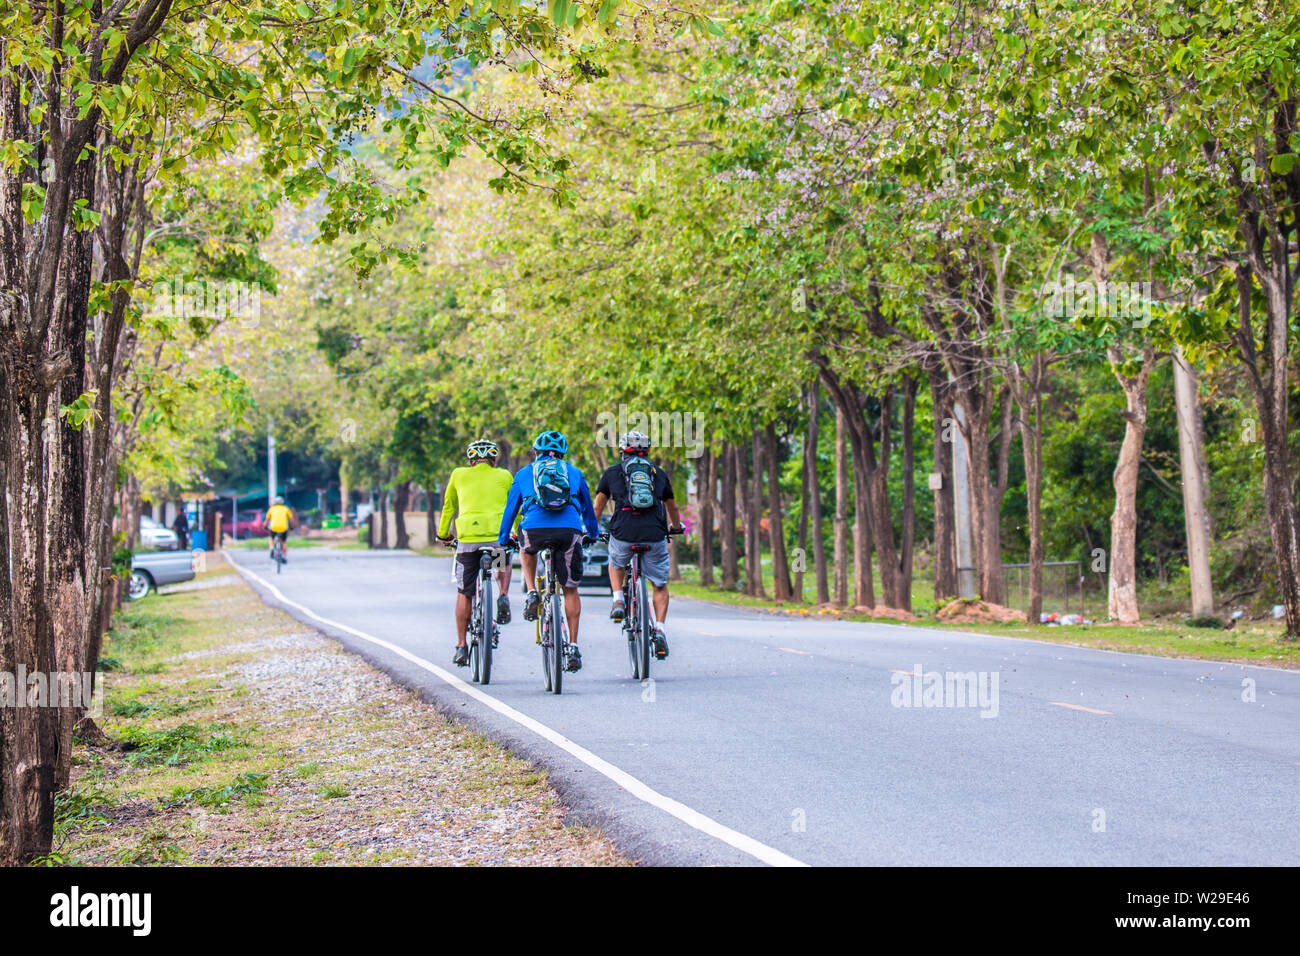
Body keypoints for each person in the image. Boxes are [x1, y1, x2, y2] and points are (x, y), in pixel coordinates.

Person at [497, 430, 599, 672]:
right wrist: (592, 534)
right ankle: (573, 646)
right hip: (568, 530)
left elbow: (511, 509)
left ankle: (532, 591)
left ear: (535, 453)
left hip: (534, 529)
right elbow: (587, 509)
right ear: (563, 454)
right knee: (571, 589)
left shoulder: (523, 473)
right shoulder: (573, 472)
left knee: (526, 546)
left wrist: (503, 539)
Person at [592, 430, 684, 660]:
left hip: (623, 532)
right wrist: (675, 527)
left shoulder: (612, 473)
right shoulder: (658, 474)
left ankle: (618, 600)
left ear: (622, 451)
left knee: (616, 563)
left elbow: (597, 509)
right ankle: (660, 630)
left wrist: (592, 531)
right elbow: (672, 507)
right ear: (648, 451)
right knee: (660, 584)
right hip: (653, 534)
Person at [436, 438, 514, 668]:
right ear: (494, 459)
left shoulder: (458, 474)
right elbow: (514, 507)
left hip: (468, 542)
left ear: (470, 460)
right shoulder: (504, 476)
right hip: (497, 540)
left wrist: (443, 535)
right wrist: (516, 532)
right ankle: (502, 594)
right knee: (501, 563)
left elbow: (449, 506)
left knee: (465, 591)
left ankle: (461, 645)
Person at [264, 496, 295, 561]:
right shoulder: (286, 509)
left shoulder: (271, 509)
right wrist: (292, 527)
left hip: (274, 528)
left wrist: (265, 526)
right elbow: (291, 520)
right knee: (284, 542)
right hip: (283, 528)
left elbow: (267, 520)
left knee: (271, 538)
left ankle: (272, 548)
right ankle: (283, 556)